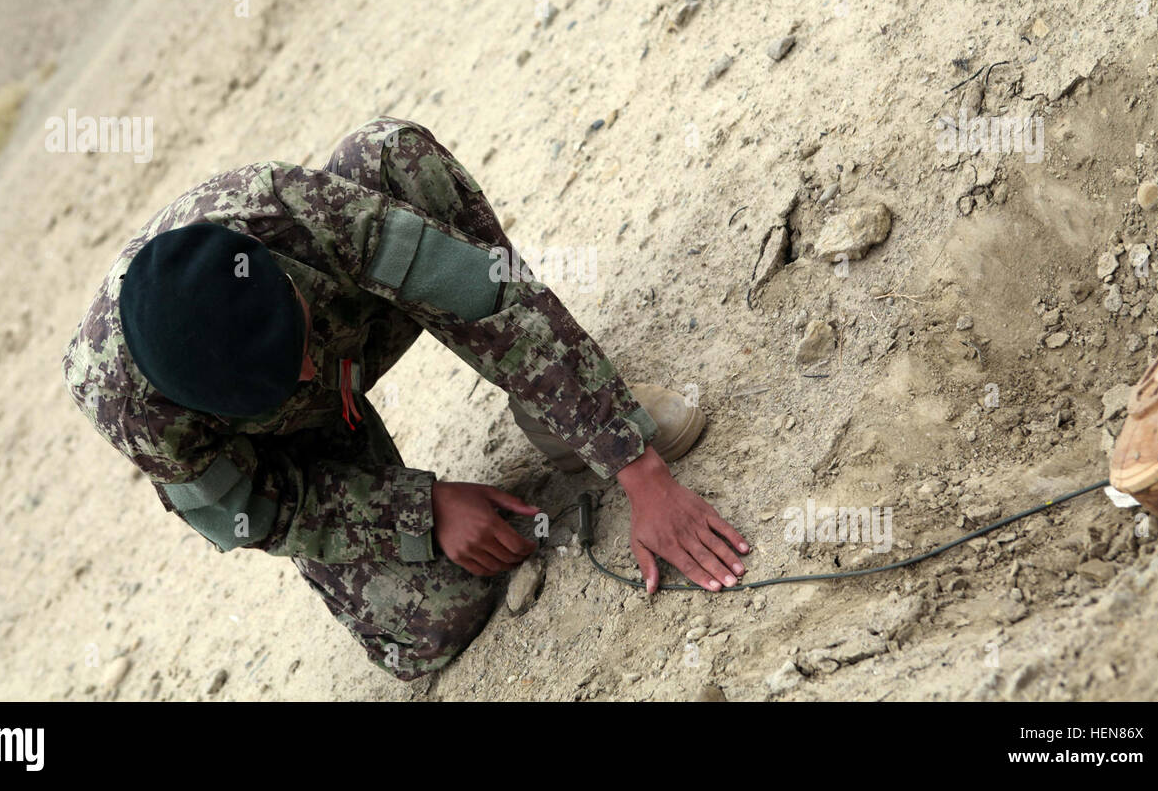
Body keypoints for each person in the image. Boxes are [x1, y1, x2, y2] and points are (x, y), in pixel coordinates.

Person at [63, 117, 749, 680]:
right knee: (435, 621)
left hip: (360, 327)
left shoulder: (286, 212)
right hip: (294, 447)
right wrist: (421, 508)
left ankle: (559, 416)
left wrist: (637, 469)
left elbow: (481, 292)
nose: (308, 372)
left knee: (391, 156)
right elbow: (259, 509)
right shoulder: (132, 411)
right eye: (285, 376)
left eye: (299, 344)